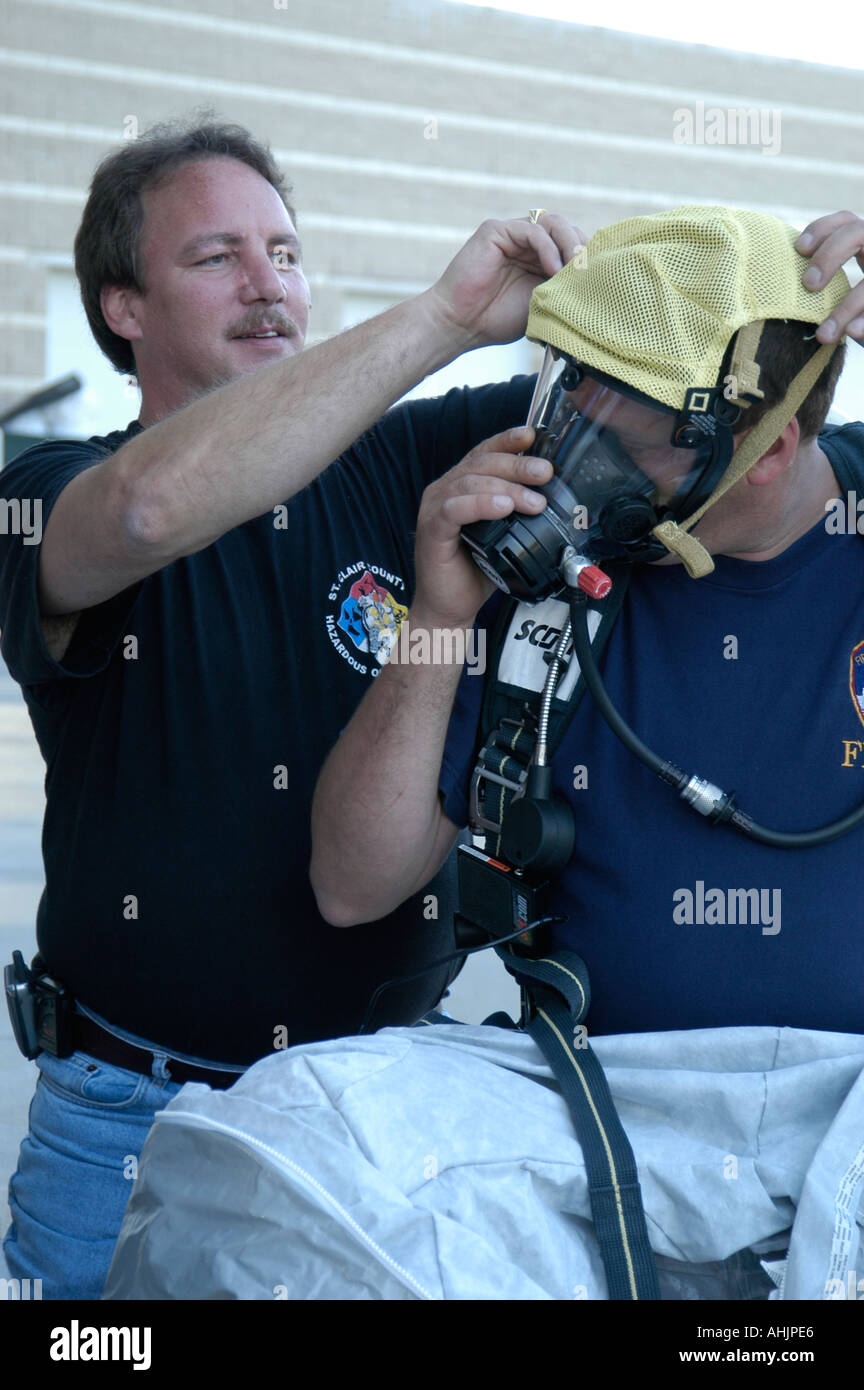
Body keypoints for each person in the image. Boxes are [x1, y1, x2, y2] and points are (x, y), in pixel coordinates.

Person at [0, 112, 584, 1299]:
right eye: (217, 257)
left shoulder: (399, 458)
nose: (270, 286)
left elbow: (650, 426)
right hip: (127, 1123)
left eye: (287, 252)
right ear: (122, 307)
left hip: (383, 1113)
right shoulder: (49, 493)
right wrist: (441, 319)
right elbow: (152, 512)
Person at [307, 205, 864, 1299]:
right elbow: (350, 884)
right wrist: (441, 608)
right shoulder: (546, 588)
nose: (575, 449)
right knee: (291, 1154)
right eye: (572, 391)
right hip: (605, 1150)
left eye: (630, 425)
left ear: (768, 448)